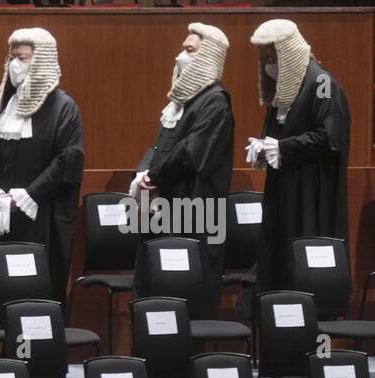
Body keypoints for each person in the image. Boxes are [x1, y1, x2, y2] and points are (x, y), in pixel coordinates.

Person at [0, 27, 83, 325]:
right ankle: (6, 356)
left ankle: (34, 361)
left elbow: (67, 160)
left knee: (34, 295)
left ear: (40, 61)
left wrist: (27, 196)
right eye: (12, 57)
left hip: (39, 218)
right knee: (0, 294)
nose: (15, 64)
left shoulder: (63, 108)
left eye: (23, 58)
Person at [240, 18, 350, 314]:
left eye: (272, 58)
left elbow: (331, 136)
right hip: (282, 191)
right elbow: (277, 133)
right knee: (277, 256)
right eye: (263, 59)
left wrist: (283, 148)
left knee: (299, 262)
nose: (267, 65)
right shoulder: (287, 88)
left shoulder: (323, 83)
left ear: (287, 54)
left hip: (310, 195)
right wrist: (264, 147)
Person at [130, 22, 233, 319]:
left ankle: (184, 362)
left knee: (183, 292)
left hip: (192, 209)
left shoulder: (215, 102)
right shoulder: (181, 101)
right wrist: (142, 173)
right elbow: (160, 146)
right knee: (156, 286)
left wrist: (154, 177)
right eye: (182, 48)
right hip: (163, 205)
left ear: (207, 57)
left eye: (189, 50)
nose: (180, 56)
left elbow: (190, 152)